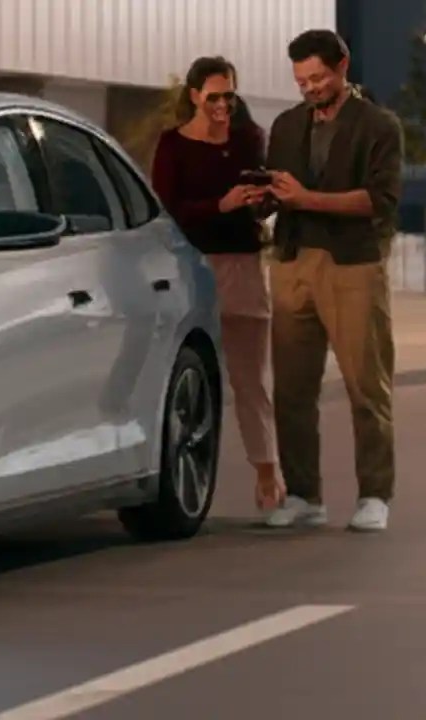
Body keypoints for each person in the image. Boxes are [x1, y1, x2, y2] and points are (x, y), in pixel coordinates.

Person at [261, 29, 403, 531]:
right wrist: (267, 198)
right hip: (292, 260)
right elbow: (283, 189)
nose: (310, 88)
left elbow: (378, 201)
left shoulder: (378, 126)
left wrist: (306, 200)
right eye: (301, 80)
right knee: (293, 388)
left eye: (318, 77)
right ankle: (303, 495)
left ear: (342, 65)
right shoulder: (284, 125)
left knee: (367, 384)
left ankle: (374, 495)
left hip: (352, 265)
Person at [151, 56, 285, 512]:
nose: (223, 105)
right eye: (214, 97)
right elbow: (168, 214)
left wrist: (262, 202)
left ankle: (268, 476)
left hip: (244, 267)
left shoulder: (250, 140)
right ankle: (179, 477)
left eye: (229, 95)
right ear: (193, 95)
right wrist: (220, 205)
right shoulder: (172, 146)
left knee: (251, 380)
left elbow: (262, 208)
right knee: (188, 380)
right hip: (192, 268)